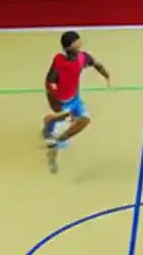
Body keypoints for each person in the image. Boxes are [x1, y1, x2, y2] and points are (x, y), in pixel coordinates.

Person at [42, 30, 111, 174]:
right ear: (68, 46)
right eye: (76, 42)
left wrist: (105, 75)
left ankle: (59, 138)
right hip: (62, 101)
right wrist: (55, 101)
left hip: (75, 99)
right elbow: (49, 82)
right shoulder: (60, 61)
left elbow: (95, 63)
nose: (80, 43)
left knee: (84, 121)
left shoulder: (82, 57)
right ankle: (51, 127)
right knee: (66, 117)